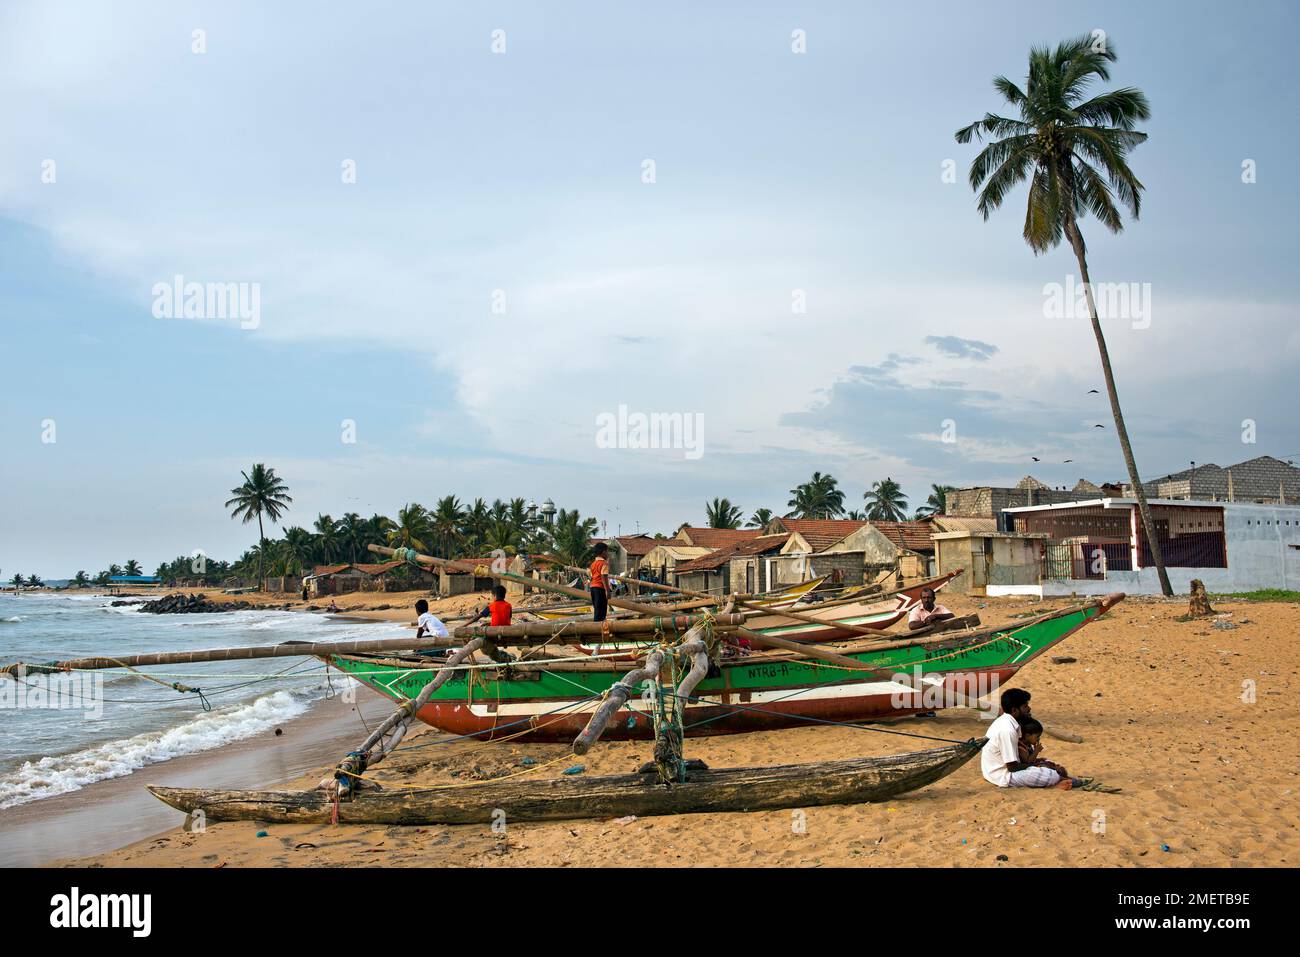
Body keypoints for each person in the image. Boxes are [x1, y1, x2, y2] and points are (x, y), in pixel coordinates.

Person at [981, 689, 1073, 789]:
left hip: (1001, 770)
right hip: (1002, 775)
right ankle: (1054, 785)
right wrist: (1037, 766)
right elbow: (1012, 767)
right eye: (1025, 707)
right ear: (1014, 710)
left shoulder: (1008, 722)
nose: (1029, 709)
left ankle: (1055, 779)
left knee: (1047, 763)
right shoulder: (1007, 730)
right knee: (1051, 775)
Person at [589, 542, 611, 622]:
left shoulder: (593, 564)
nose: (608, 554)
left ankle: (597, 627)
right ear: (603, 552)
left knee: (597, 610)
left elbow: (591, 577)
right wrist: (607, 591)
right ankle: (598, 629)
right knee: (601, 611)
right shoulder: (604, 563)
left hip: (592, 588)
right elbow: (603, 577)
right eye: (607, 551)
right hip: (600, 588)